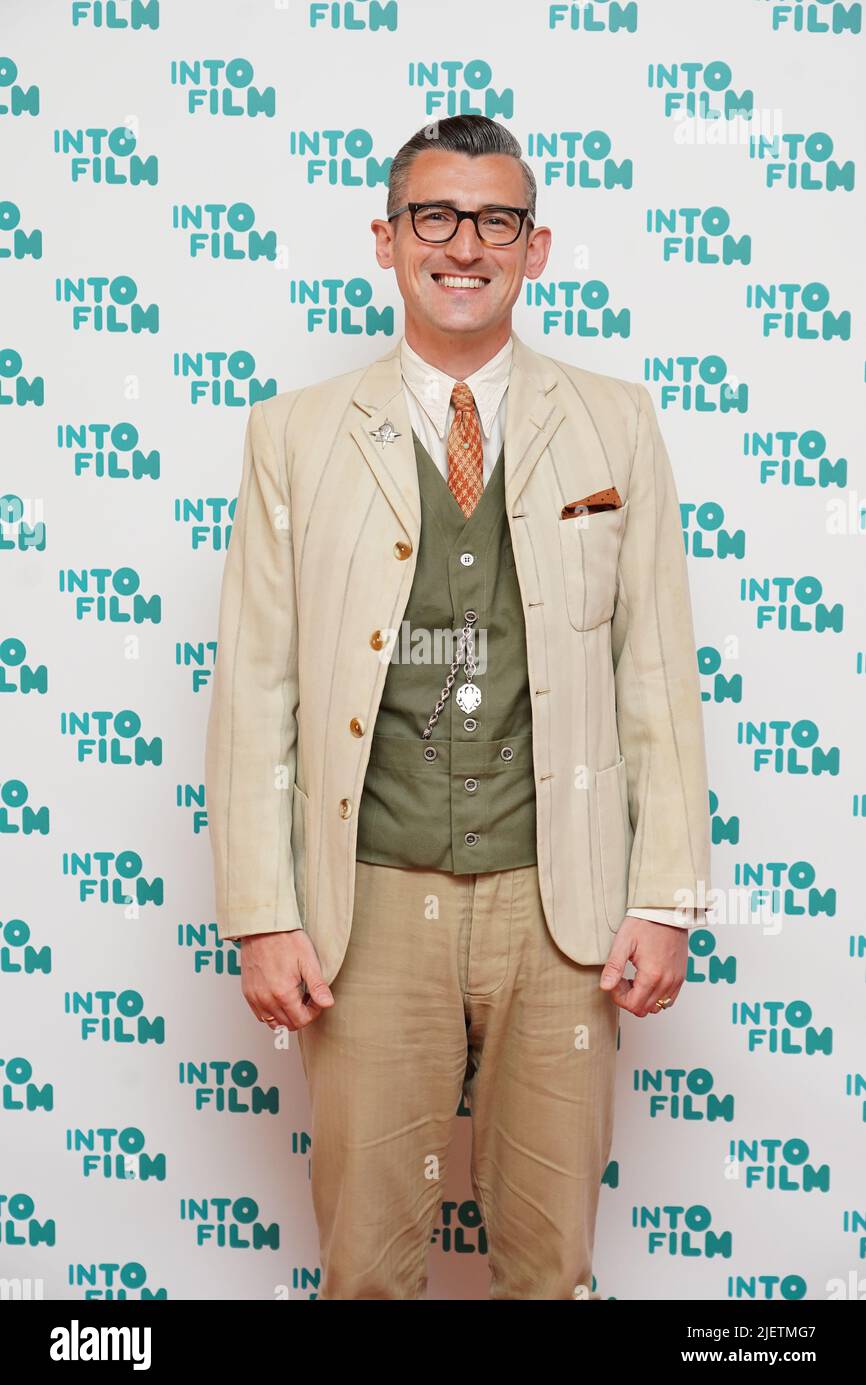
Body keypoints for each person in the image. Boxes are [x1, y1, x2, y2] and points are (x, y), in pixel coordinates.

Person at [204, 114, 712, 1300]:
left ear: (534, 249)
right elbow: (256, 686)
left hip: (564, 908)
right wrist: (258, 910)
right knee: (370, 1268)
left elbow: (656, 676)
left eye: (495, 221)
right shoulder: (292, 436)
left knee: (549, 1266)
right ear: (385, 240)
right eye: (433, 216)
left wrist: (666, 895)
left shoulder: (615, 421)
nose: (463, 246)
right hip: (366, 906)